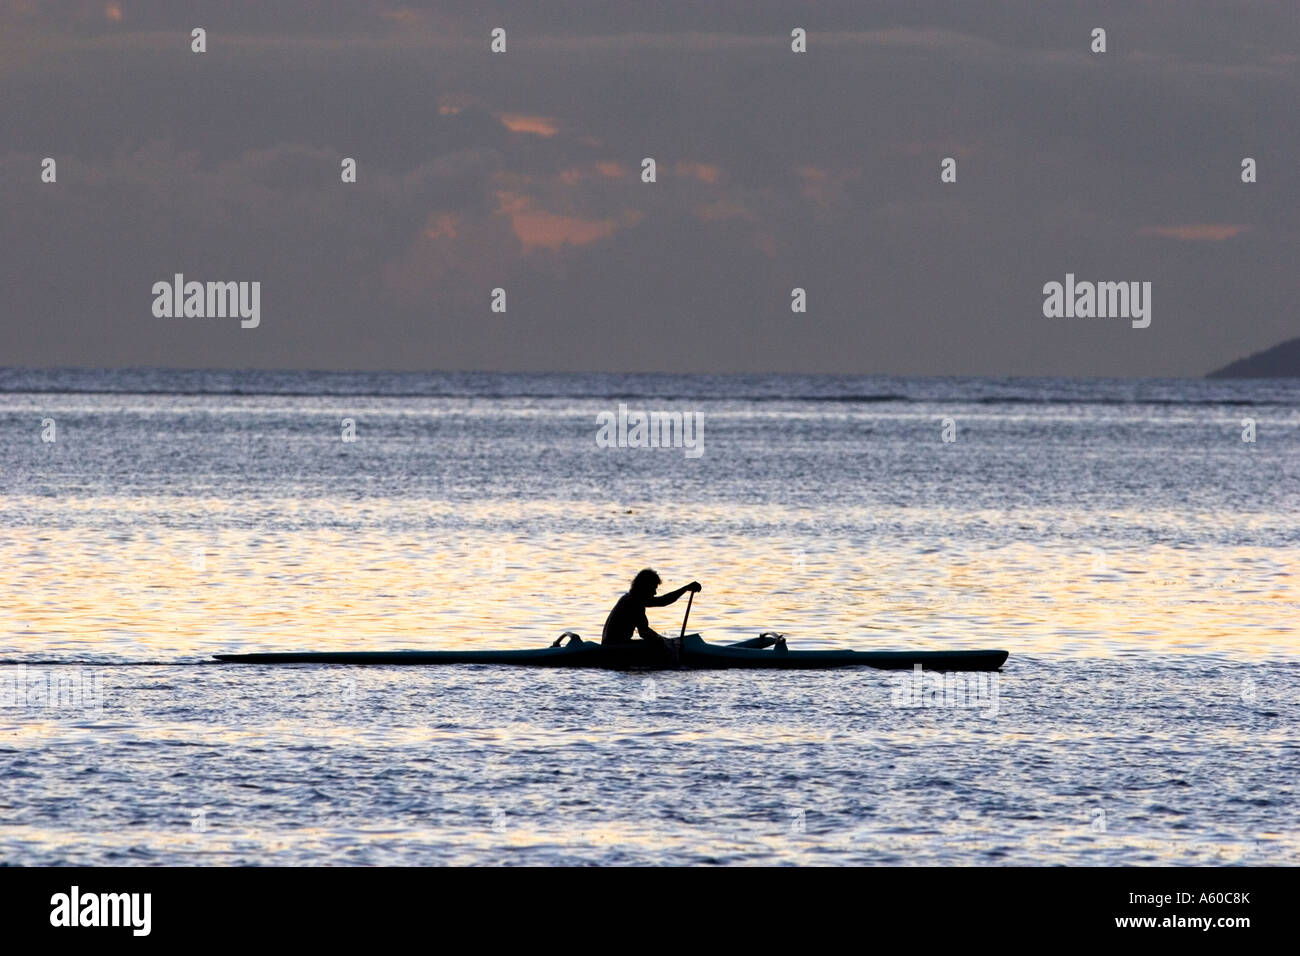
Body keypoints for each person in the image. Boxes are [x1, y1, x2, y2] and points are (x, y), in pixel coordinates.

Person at [601, 569, 701, 657]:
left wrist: (686, 588)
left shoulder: (633, 598)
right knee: (657, 645)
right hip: (614, 647)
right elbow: (644, 633)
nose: (655, 593)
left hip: (613, 645)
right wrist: (667, 643)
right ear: (645, 587)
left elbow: (662, 601)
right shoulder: (634, 603)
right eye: (653, 588)